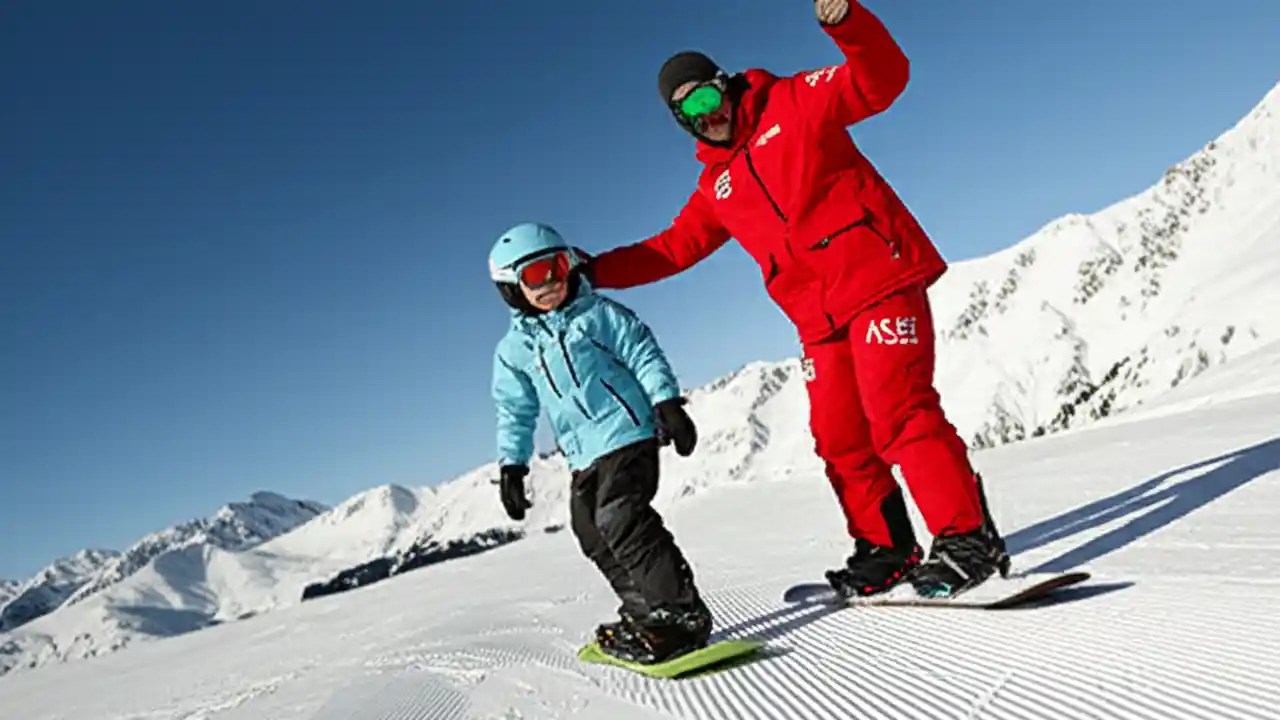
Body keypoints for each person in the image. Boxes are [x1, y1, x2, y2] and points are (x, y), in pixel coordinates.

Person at [580, 0, 1010, 598]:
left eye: (707, 99)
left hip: (877, 279)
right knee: (839, 437)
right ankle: (887, 547)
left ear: (724, 85)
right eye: (689, 115)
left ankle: (968, 540)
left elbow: (880, 80)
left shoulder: (796, 100)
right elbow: (671, 249)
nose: (706, 118)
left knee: (900, 413)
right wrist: (591, 270)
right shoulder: (716, 186)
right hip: (818, 318)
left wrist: (846, 24)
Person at [487, 221, 713, 663]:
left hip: (628, 434)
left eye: (556, 266)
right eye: (535, 276)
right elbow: (515, 410)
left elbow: (642, 352)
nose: (551, 281)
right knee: (591, 532)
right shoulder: (512, 351)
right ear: (512, 287)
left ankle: (681, 613)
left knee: (621, 516)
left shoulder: (597, 314)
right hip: (582, 454)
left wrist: (667, 403)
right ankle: (647, 611)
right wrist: (512, 465)